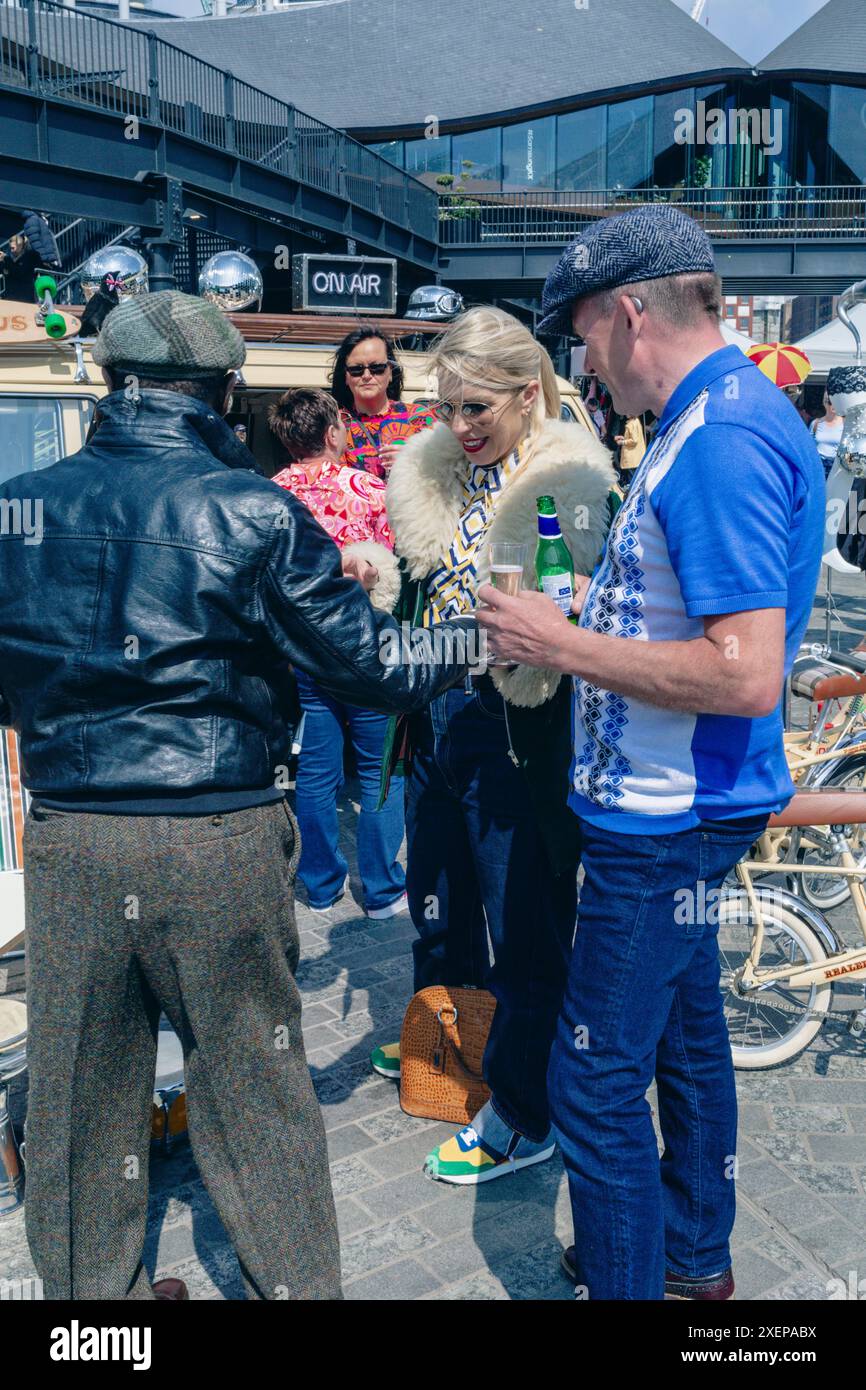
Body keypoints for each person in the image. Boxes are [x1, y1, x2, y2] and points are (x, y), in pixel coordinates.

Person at [0, 290, 476, 1301]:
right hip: (215, 834)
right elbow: (375, 666)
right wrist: (478, 637)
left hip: (75, 837)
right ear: (222, 395)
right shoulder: (251, 510)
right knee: (253, 1089)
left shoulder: (19, 508)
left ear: (108, 386)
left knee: (79, 1099)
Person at [477, 206, 825, 1299]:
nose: (582, 359)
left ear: (630, 314)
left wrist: (560, 640)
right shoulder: (714, 413)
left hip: (660, 818)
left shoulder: (715, 434)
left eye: (582, 333)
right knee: (683, 1038)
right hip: (675, 806)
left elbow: (742, 671)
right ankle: (692, 1261)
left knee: (590, 1086)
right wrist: (602, 617)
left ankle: (644, 1274)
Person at [366, 305, 616, 1185]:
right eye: (446, 406)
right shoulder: (434, 476)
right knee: (434, 901)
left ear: (526, 393)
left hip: (517, 728)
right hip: (435, 719)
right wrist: (377, 575)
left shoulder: (572, 486)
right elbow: (421, 597)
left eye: (477, 407)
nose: (460, 426)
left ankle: (524, 1110)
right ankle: (450, 1069)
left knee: (526, 927)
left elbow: (574, 627)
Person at [269, 387, 407, 918]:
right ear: (331, 434)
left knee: (318, 774)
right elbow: (397, 570)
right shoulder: (372, 490)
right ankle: (380, 890)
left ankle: (321, 885)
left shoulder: (269, 497)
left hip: (304, 654)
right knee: (380, 769)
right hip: (370, 650)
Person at [331, 325, 434, 479]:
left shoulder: (419, 418)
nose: (366, 375)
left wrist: (413, 460)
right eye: (356, 370)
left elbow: (447, 468)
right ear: (345, 376)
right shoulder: (335, 425)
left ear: (390, 372)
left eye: (377, 368)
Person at [810, 388, 844, 476]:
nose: (832, 405)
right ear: (824, 403)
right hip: (819, 466)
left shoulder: (845, 424)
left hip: (838, 467)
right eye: (829, 401)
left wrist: (851, 467)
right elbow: (809, 447)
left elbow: (849, 447)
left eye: (836, 402)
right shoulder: (816, 423)